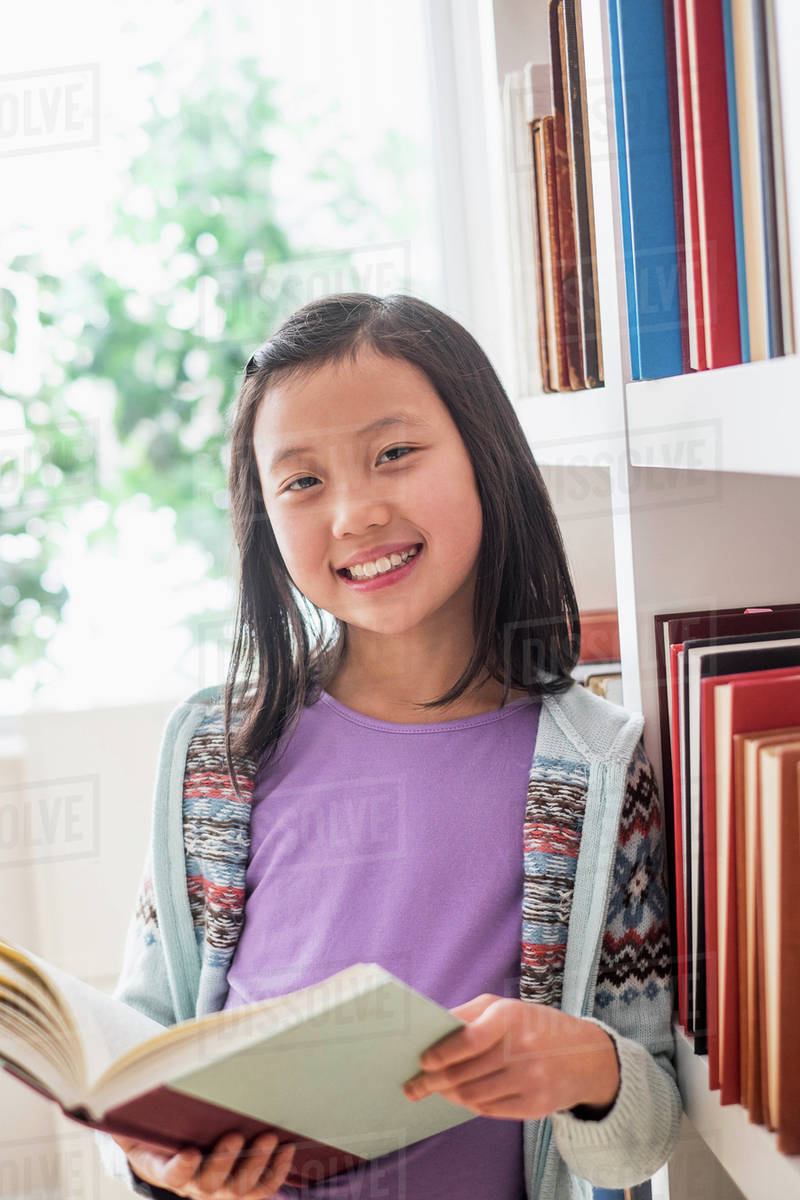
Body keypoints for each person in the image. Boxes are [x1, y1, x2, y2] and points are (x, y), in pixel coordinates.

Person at [95, 293, 682, 1200]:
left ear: (486, 456)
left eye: (394, 454)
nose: (355, 514)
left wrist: (586, 1068)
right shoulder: (218, 754)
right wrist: (155, 1159)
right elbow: (138, 1050)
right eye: (302, 482)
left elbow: (641, 1139)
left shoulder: (598, 769)